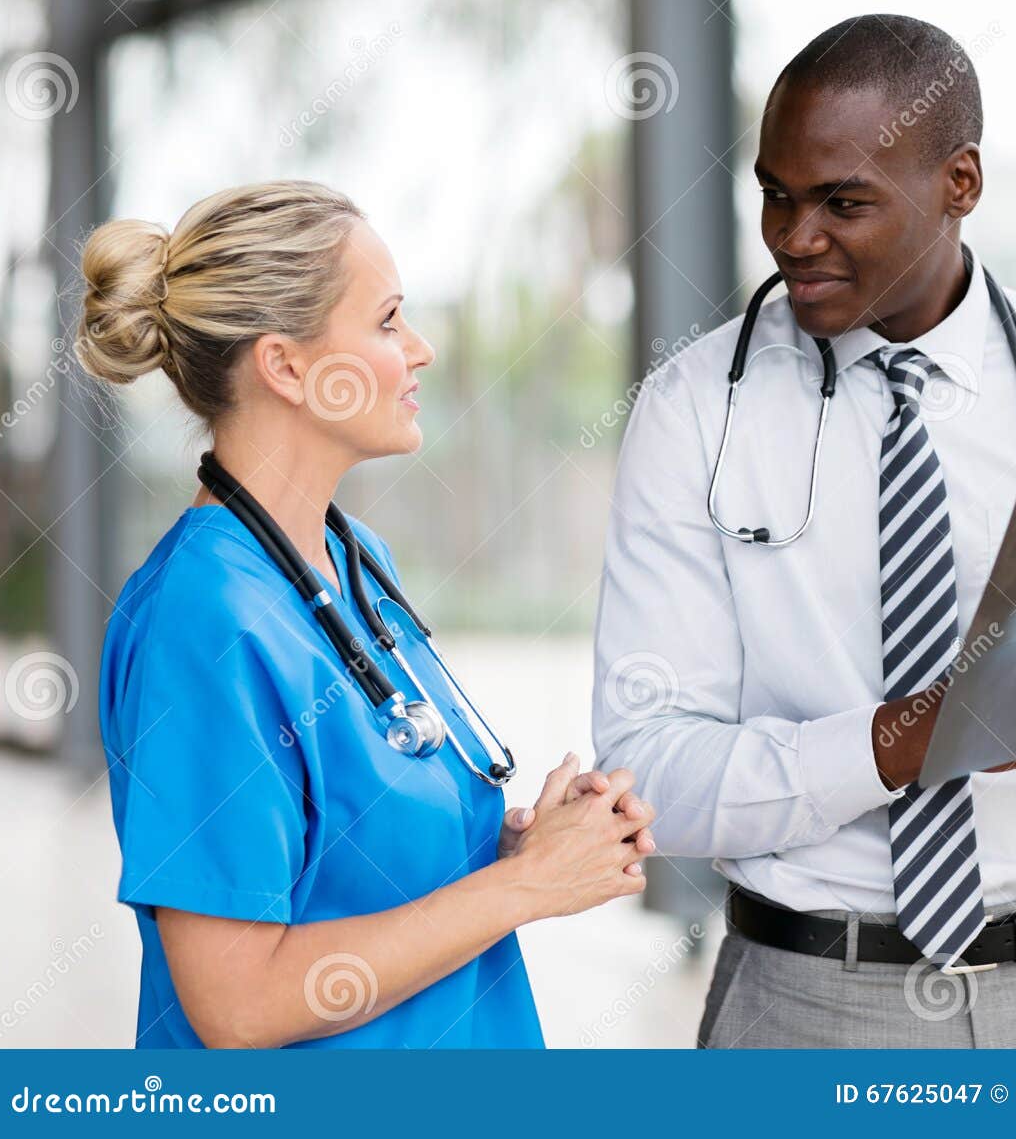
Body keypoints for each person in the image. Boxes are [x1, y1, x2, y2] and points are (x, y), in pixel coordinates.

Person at [592, 15, 1016, 1049]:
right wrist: (898, 741)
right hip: (809, 1004)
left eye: (842, 202)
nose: (796, 237)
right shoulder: (694, 409)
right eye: (776, 195)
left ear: (959, 184)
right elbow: (652, 773)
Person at [81, 181, 654, 1049]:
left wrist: (524, 848)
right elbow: (236, 1005)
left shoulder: (356, 563)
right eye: (388, 321)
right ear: (286, 366)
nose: (419, 350)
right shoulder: (201, 622)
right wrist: (522, 889)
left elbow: (345, 863)